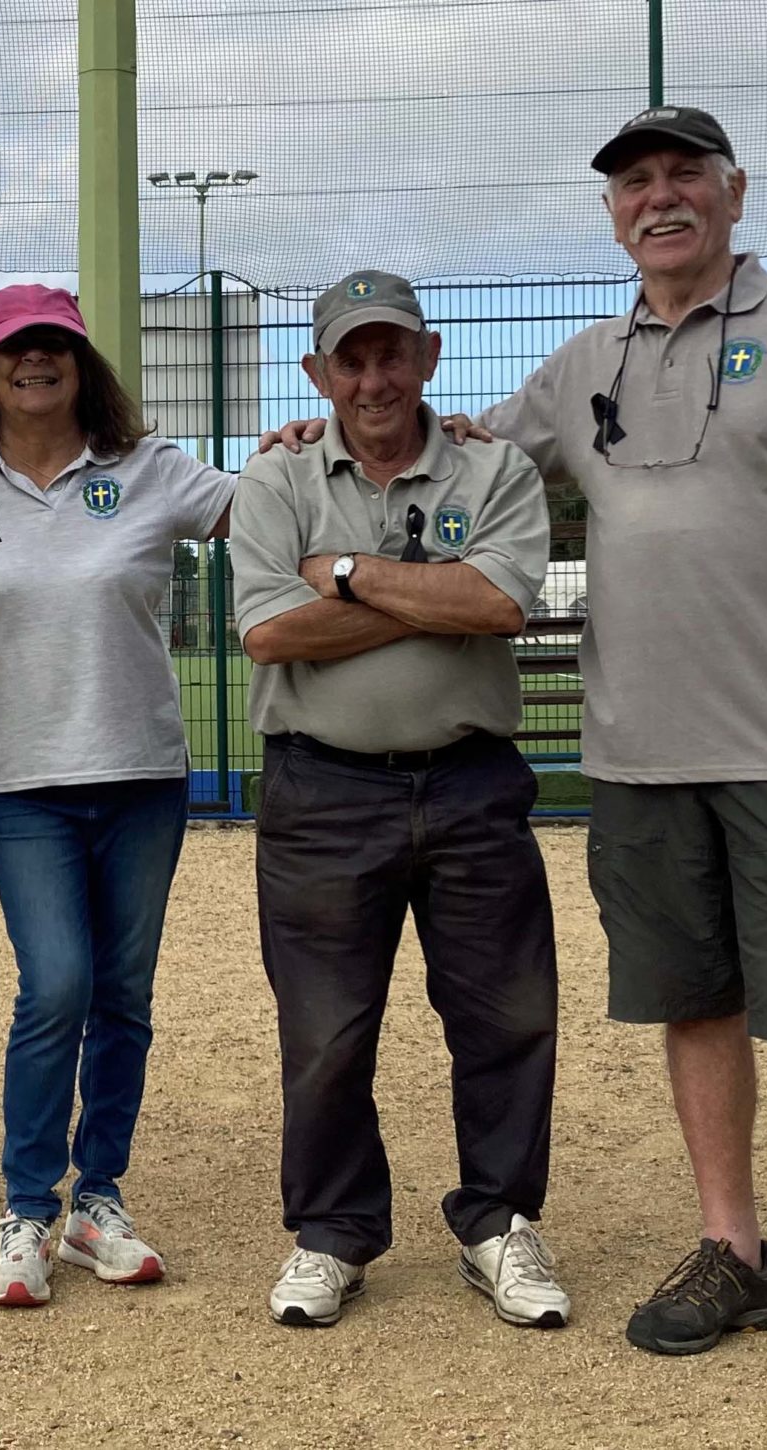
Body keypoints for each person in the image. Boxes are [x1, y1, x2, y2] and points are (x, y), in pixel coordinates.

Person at [459, 107, 767, 1400]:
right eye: (633, 184)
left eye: (683, 176)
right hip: (638, 759)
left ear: (734, 193)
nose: (658, 199)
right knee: (694, 1003)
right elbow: (460, 469)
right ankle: (735, 1244)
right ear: (612, 215)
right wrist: (327, 433)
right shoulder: (585, 363)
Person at [232, 270, 569, 1332]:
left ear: (427, 356)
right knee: (325, 1028)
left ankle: (498, 1222)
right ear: (316, 373)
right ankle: (331, 1232)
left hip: (471, 782)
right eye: (350, 358)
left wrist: (341, 571)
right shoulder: (275, 475)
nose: (371, 378)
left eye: (390, 353)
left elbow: (505, 601)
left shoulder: (495, 465)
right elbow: (267, 634)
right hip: (319, 787)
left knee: (505, 1014)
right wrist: (435, 596)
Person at [0, 286, 231, 1306]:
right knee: (53, 986)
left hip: (140, 772)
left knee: (122, 998)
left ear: (81, 361)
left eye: (54, 344)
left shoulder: (147, 470)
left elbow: (260, 507)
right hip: (24, 784)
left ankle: (97, 1197)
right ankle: (24, 1207)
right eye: (15, 348)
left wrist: (312, 439)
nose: (35, 362)